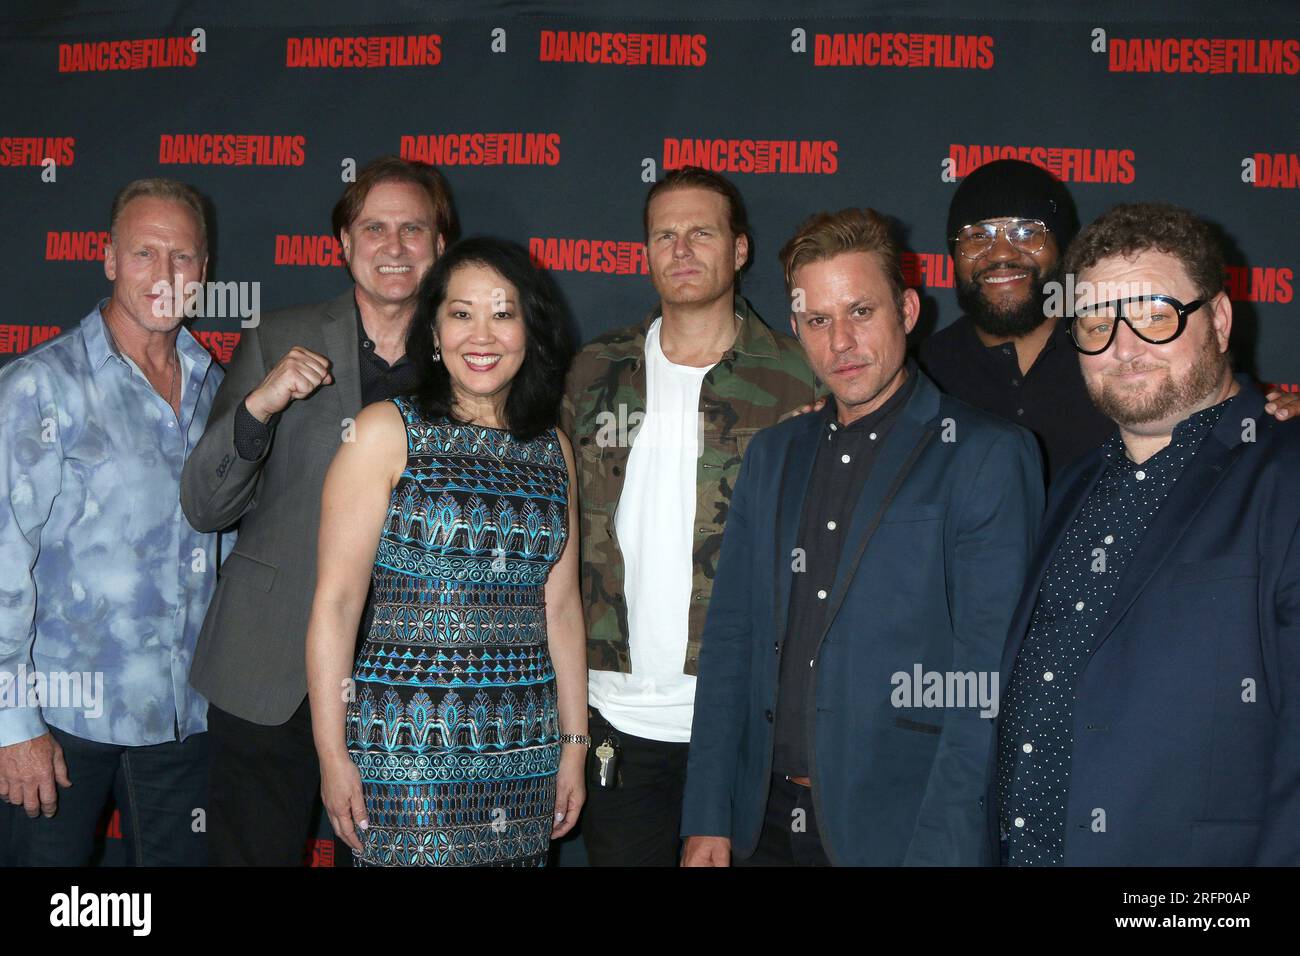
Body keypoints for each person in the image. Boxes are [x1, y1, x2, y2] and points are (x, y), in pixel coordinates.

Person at [680, 208, 1043, 866]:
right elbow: (731, 641)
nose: (840, 342)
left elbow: (986, 686)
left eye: (860, 312)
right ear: (796, 328)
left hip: (898, 833)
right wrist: (708, 814)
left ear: (907, 310)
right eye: (817, 320)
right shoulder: (772, 455)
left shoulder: (986, 456)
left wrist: (944, 849)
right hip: (758, 824)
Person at [991, 202, 1300, 866]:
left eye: (1155, 315)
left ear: (1217, 319)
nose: (1122, 349)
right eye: (1096, 323)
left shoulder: (1285, 473)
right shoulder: (1069, 486)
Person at [180, 156, 456, 865]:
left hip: (410, 687)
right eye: (374, 228)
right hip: (268, 668)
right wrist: (258, 407)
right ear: (343, 244)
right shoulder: (278, 338)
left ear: (441, 245)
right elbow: (205, 506)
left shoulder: (469, 357)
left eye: (413, 229)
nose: (393, 246)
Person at [563, 166, 820, 866]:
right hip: (617, 716)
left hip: (745, 719)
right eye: (664, 235)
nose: (681, 249)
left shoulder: (802, 378)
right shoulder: (592, 373)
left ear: (740, 249)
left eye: (701, 232)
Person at [305, 237, 586, 866]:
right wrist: (333, 754)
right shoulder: (385, 432)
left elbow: (561, 608)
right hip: (406, 751)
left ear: (531, 330)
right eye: (460, 313)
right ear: (433, 331)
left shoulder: (553, 450)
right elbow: (336, 604)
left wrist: (572, 743)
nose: (480, 335)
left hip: (524, 747)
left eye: (503, 313)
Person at [0, 178, 225, 865]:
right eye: (143, 254)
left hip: (185, 722)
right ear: (107, 258)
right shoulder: (41, 385)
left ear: (204, 272)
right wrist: (10, 725)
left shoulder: (218, 388)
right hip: (58, 724)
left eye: (182, 258)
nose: (164, 275)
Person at [919, 159, 1299, 480]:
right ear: (953, 255)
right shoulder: (921, 374)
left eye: (1026, 232)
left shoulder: (1116, 352)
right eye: (976, 236)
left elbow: (1220, 407)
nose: (1000, 252)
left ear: (1063, 249)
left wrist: (1273, 416)